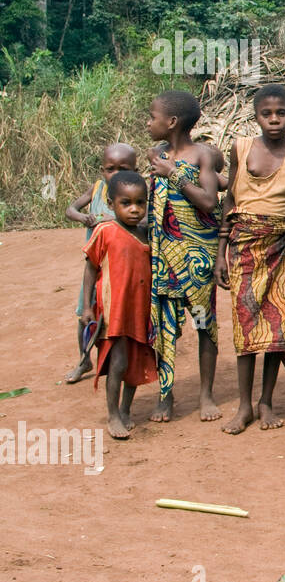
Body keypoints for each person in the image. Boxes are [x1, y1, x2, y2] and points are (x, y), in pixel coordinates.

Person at [216, 83, 285, 434]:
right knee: (246, 326)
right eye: (266, 114)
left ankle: (266, 401)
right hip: (243, 245)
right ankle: (243, 406)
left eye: (281, 113)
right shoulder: (241, 148)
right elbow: (229, 202)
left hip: (281, 246)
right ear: (256, 116)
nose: (274, 120)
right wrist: (220, 253)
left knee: (276, 327)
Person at [146, 90, 221, 423]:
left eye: (152, 117)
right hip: (163, 254)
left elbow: (208, 201)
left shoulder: (204, 155)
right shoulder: (155, 154)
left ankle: (206, 394)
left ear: (172, 122)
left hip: (198, 255)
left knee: (204, 324)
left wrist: (172, 173)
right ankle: (166, 395)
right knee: (163, 325)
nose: (149, 123)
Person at [78, 170, 157, 439]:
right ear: (111, 204)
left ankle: (126, 409)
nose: (134, 210)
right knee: (119, 362)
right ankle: (113, 415)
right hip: (114, 311)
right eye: (126, 203)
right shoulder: (105, 231)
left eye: (140, 203)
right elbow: (90, 269)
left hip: (139, 310)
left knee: (135, 361)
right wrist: (88, 308)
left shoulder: (147, 234)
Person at [65, 142, 137, 384]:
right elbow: (70, 209)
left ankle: (118, 365)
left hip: (120, 270)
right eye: (110, 169)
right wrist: (83, 217)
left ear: (135, 170)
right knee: (84, 312)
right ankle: (84, 359)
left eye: (123, 168)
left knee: (117, 320)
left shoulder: (133, 196)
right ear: (102, 170)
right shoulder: (97, 189)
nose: (115, 174)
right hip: (95, 266)